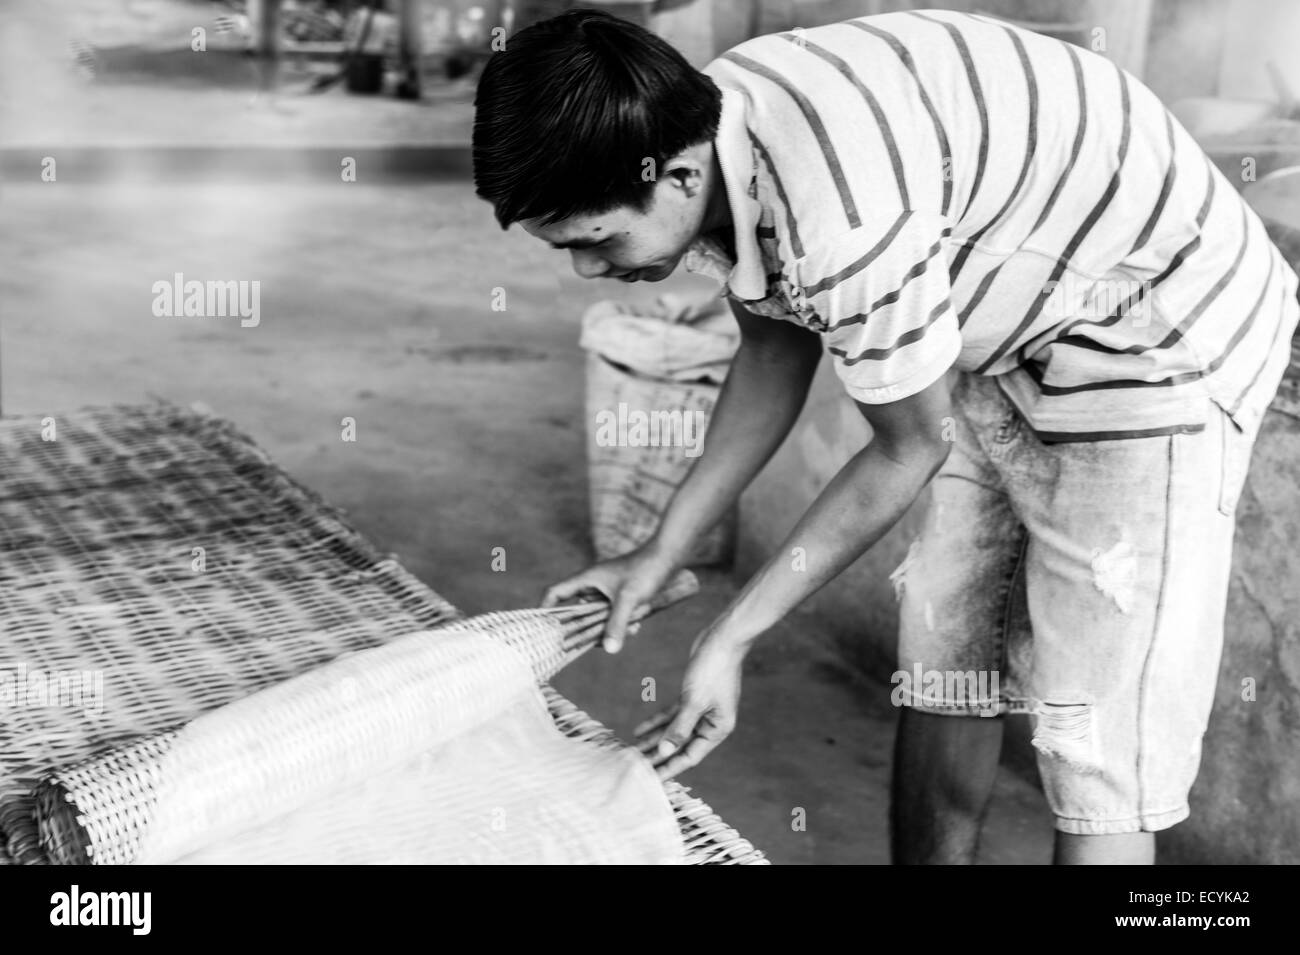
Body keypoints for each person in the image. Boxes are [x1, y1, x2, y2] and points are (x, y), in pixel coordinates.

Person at [471, 8, 1300, 864]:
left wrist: (734, 636)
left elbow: (909, 445)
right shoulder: (712, 120)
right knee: (946, 662)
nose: (586, 269)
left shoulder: (842, 213)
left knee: (1093, 743)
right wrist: (661, 549)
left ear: (678, 178)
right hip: (1006, 318)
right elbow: (770, 345)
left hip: (1154, 335)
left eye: (598, 239)